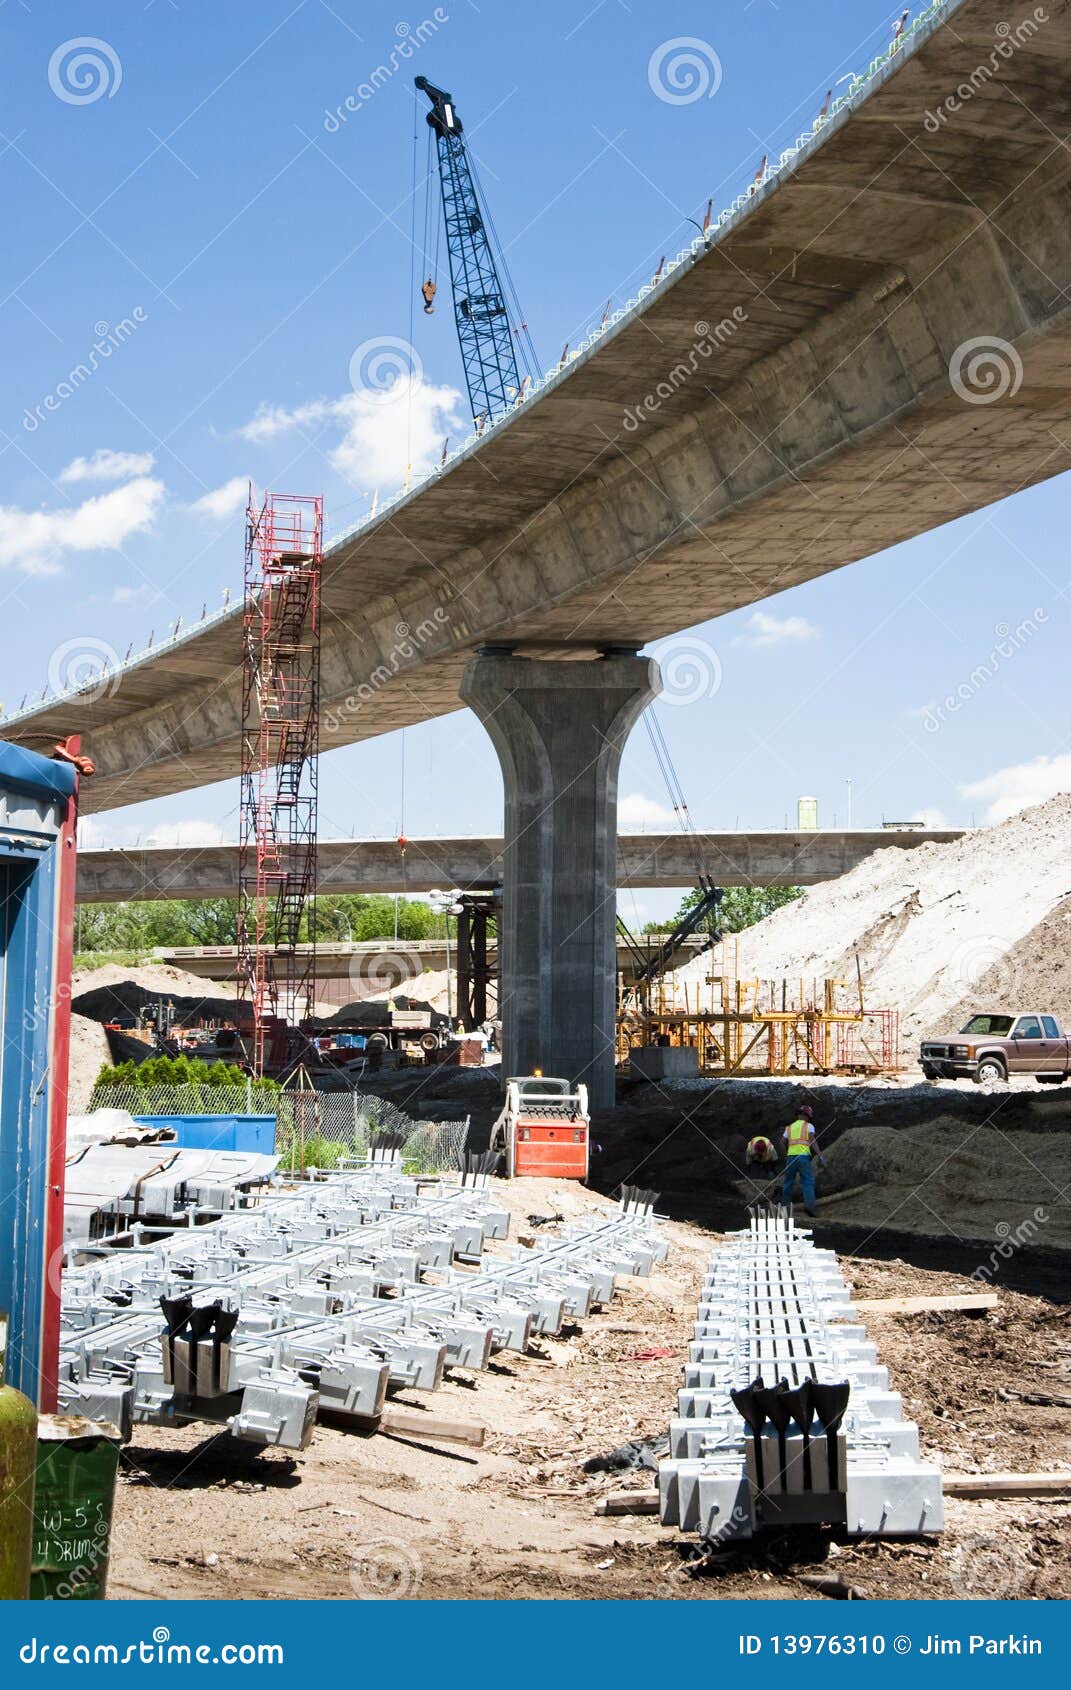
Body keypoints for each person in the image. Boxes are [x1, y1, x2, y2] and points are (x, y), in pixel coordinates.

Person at [781, 1103, 818, 1215]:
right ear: (807, 1115)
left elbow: (781, 1142)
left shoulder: (789, 1127)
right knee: (807, 1182)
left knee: (788, 1182)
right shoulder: (809, 1126)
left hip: (791, 1157)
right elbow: (812, 1141)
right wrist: (819, 1154)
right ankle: (810, 1207)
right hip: (803, 1158)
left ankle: (784, 1207)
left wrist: (787, 1154)